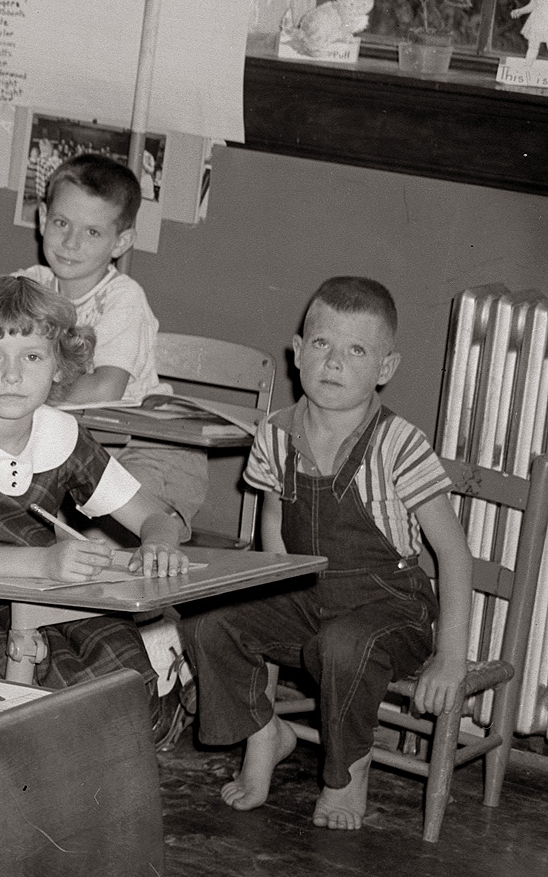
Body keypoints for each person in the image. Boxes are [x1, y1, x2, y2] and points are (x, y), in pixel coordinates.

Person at [185, 277, 473, 831]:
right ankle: (264, 733)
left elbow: (453, 555)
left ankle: (348, 772)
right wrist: (273, 593)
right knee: (206, 619)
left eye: (356, 350)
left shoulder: (399, 444)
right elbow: (274, 520)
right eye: (321, 345)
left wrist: (451, 658)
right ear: (297, 353)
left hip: (391, 607)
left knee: (342, 645)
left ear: (385, 368)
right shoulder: (275, 433)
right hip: (307, 592)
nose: (334, 363)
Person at [0, 276, 186, 718]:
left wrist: (160, 543)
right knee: (11, 719)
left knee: (122, 682)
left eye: (32, 356)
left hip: (38, 599)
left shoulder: (63, 435)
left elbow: (155, 517)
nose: (12, 375)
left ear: (60, 366)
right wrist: (45, 561)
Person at [0, 153, 208, 540]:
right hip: (79, 445)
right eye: (61, 223)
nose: (71, 242)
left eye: (92, 232)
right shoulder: (29, 284)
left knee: (101, 545)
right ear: (43, 218)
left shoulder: (123, 299)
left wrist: (5, 392)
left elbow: (104, 390)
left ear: (122, 241)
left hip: (151, 447)